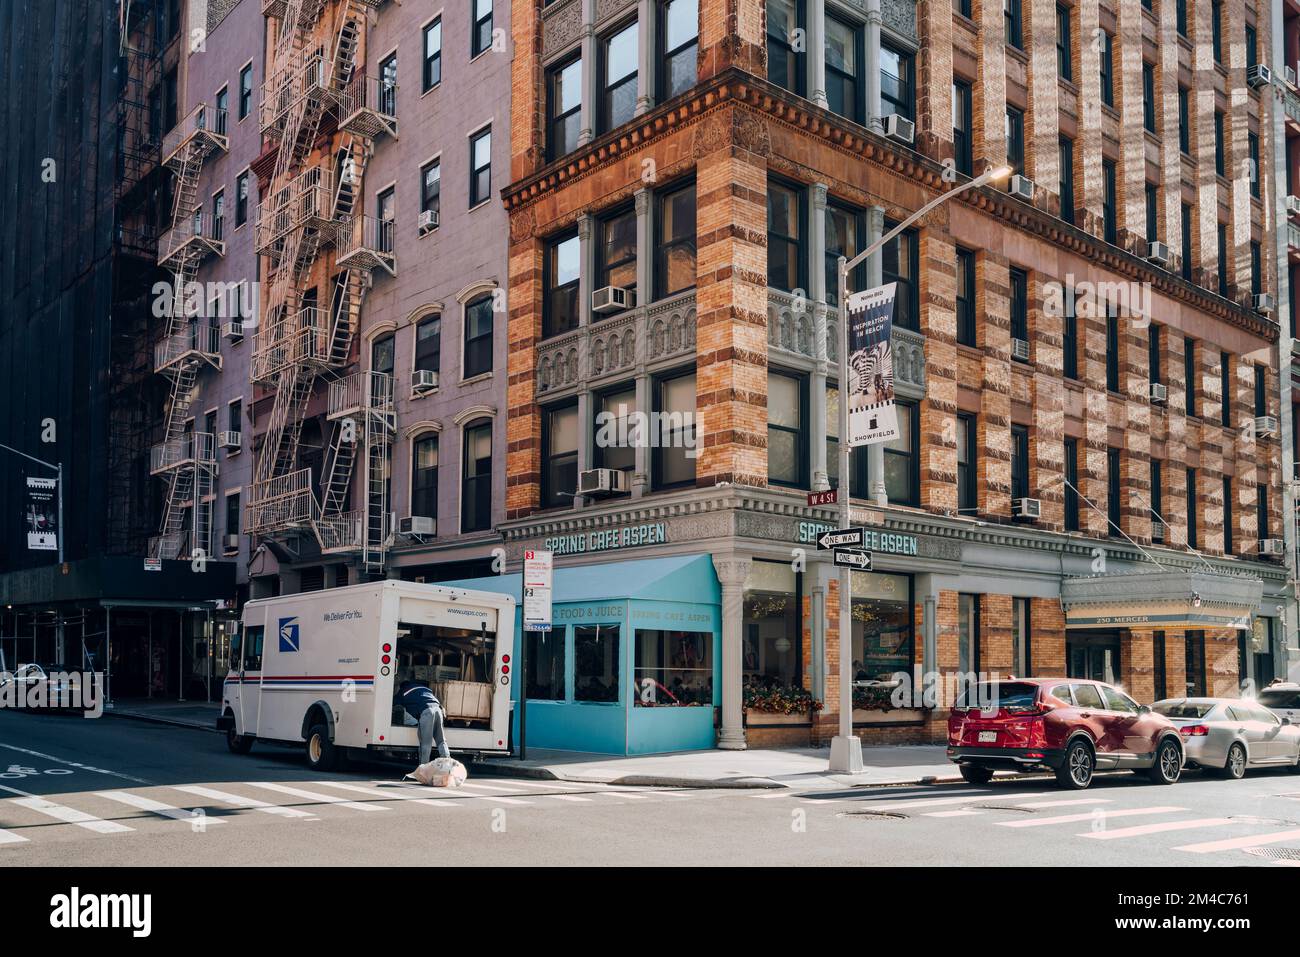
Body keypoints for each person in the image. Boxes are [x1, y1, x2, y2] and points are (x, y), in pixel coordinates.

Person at [398, 679, 450, 765]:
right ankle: (447, 764)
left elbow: (396, 703)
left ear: (402, 686)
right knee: (441, 741)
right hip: (438, 710)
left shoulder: (403, 691)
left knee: (426, 743)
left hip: (427, 712)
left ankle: (423, 768)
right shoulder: (424, 688)